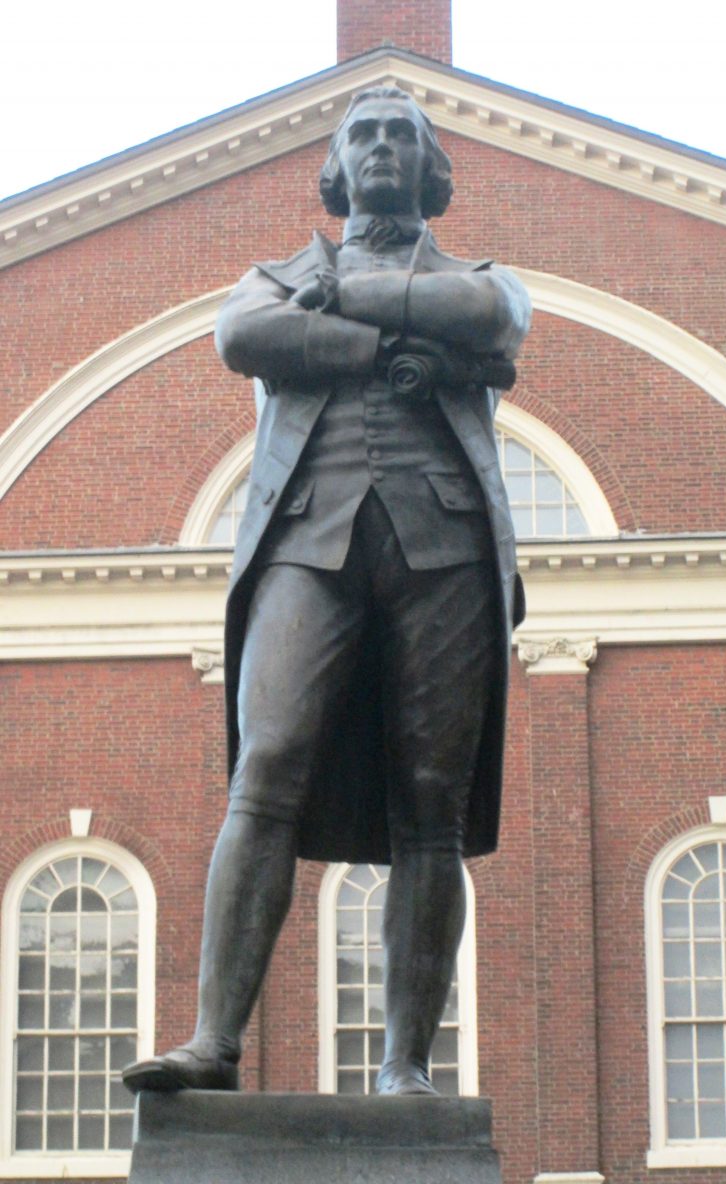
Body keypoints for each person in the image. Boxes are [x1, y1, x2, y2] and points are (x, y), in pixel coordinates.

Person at [123, 86, 531, 1098]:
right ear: (336, 167)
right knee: (265, 763)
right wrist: (389, 344)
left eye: (403, 135)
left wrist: (343, 303)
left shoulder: (476, 277)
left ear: (432, 172)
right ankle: (217, 1042)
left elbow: (489, 317)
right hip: (308, 540)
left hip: (443, 550)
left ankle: (403, 1063)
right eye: (365, 135)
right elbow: (242, 337)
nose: (384, 147)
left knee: (429, 805)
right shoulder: (275, 277)